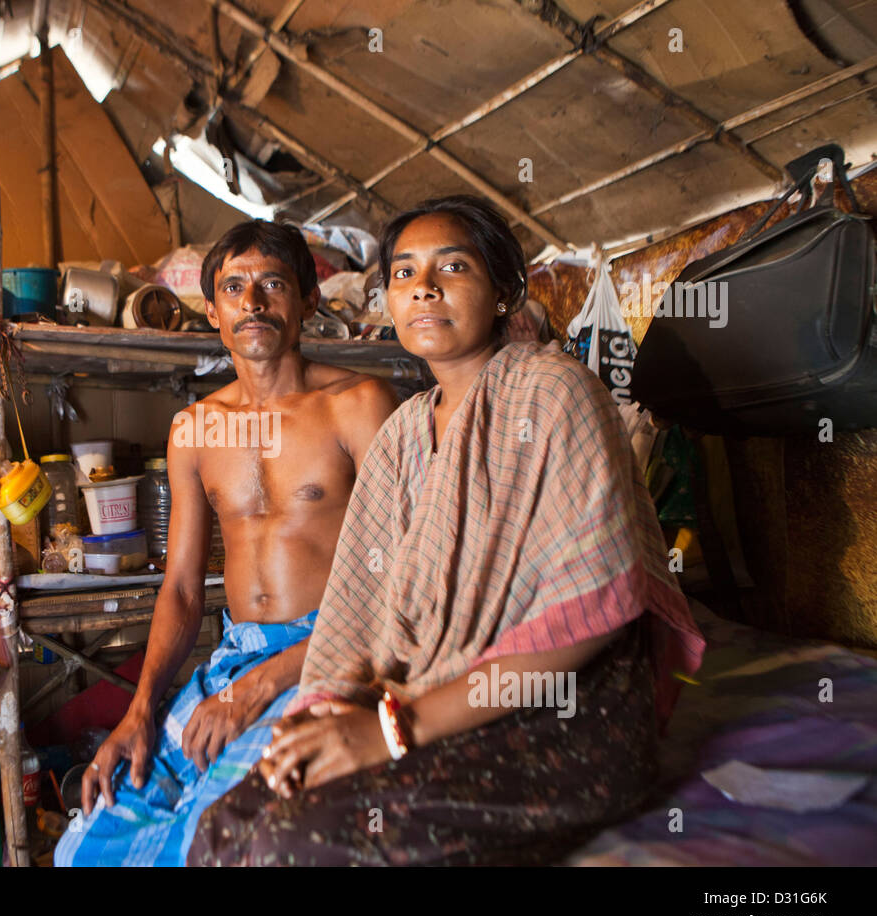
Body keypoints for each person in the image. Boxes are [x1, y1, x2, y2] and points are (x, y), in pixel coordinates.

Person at [189, 196, 706, 866]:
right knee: (228, 824)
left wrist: (390, 731)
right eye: (404, 273)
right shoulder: (403, 433)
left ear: (503, 292)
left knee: (293, 841)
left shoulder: (553, 392)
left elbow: (595, 611)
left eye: (453, 266)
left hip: (563, 719)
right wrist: (318, 716)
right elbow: (357, 605)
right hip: (429, 697)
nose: (424, 287)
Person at [53, 221, 400, 866]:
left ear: (308, 300)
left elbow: (400, 583)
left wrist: (262, 686)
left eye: (273, 284)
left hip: (331, 655)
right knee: (89, 843)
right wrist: (141, 710)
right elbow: (182, 590)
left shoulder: (359, 406)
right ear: (211, 310)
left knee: (214, 836)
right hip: (234, 659)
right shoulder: (194, 431)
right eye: (234, 288)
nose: (254, 302)